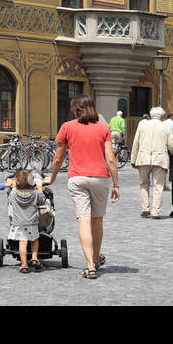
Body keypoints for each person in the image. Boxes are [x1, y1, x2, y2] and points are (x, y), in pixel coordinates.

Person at [48, 94, 119, 279]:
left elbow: (58, 158)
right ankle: (95, 257)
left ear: (76, 109)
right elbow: (110, 158)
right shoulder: (103, 128)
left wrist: (52, 177)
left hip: (77, 178)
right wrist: (116, 184)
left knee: (84, 220)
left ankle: (90, 266)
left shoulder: (67, 127)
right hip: (100, 178)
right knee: (97, 220)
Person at [130, 105, 173, 220]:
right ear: (162, 116)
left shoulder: (142, 124)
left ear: (151, 115)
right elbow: (171, 146)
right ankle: (156, 212)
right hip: (160, 159)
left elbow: (136, 143)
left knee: (144, 184)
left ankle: (145, 208)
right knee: (158, 187)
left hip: (143, 158)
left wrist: (133, 159)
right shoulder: (165, 127)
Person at [5, 168, 44, 273]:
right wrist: (40, 189)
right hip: (32, 222)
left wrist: (13, 187)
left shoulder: (14, 194)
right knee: (35, 240)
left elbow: (10, 200)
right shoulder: (35, 194)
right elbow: (42, 201)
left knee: (23, 243)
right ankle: (35, 258)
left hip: (18, 223)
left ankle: (24, 264)